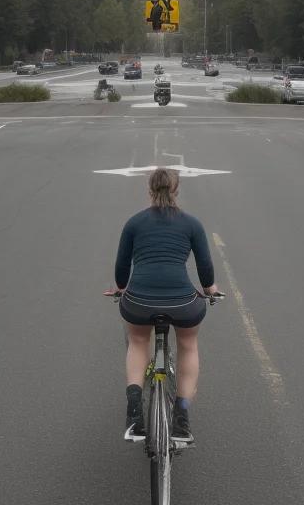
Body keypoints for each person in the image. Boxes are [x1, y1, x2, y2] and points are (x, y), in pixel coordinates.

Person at [114, 168, 218, 440]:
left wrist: (122, 289)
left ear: (150, 189)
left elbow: (122, 266)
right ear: (176, 190)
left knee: (138, 342)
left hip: (139, 301)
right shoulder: (192, 224)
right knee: (188, 345)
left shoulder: (134, 222)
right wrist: (210, 289)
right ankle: (181, 417)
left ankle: (134, 412)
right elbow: (205, 266)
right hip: (183, 303)